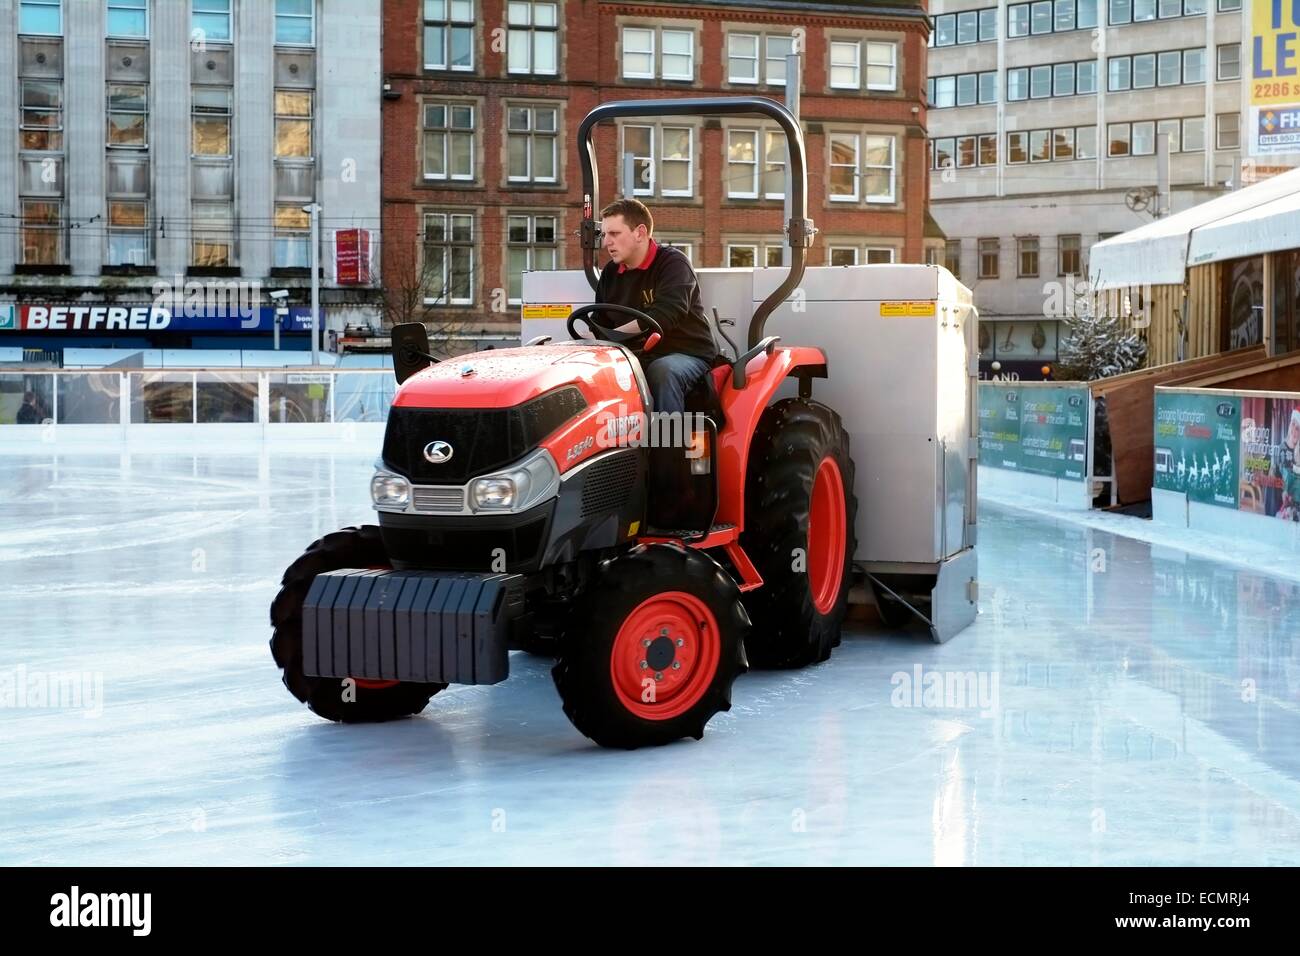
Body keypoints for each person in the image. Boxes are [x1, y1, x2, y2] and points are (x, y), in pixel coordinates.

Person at [594, 198, 717, 414]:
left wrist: (613, 336)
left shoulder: (673, 263)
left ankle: (669, 445)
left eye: (614, 234)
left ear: (640, 232)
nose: (606, 243)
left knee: (663, 371)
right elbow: (599, 321)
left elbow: (665, 315)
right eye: (604, 235)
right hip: (633, 354)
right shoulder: (610, 273)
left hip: (686, 353)